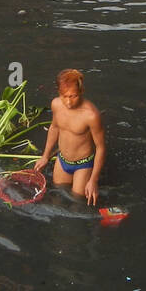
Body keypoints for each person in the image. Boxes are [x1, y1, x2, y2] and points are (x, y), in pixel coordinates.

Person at [32, 69, 107, 205]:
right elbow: (54, 128)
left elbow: (100, 147)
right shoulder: (56, 104)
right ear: (59, 93)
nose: (68, 102)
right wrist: (45, 156)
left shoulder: (91, 115)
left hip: (83, 164)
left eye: (73, 96)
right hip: (62, 160)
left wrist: (93, 181)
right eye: (64, 96)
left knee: (77, 201)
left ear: (81, 91)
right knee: (57, 196)